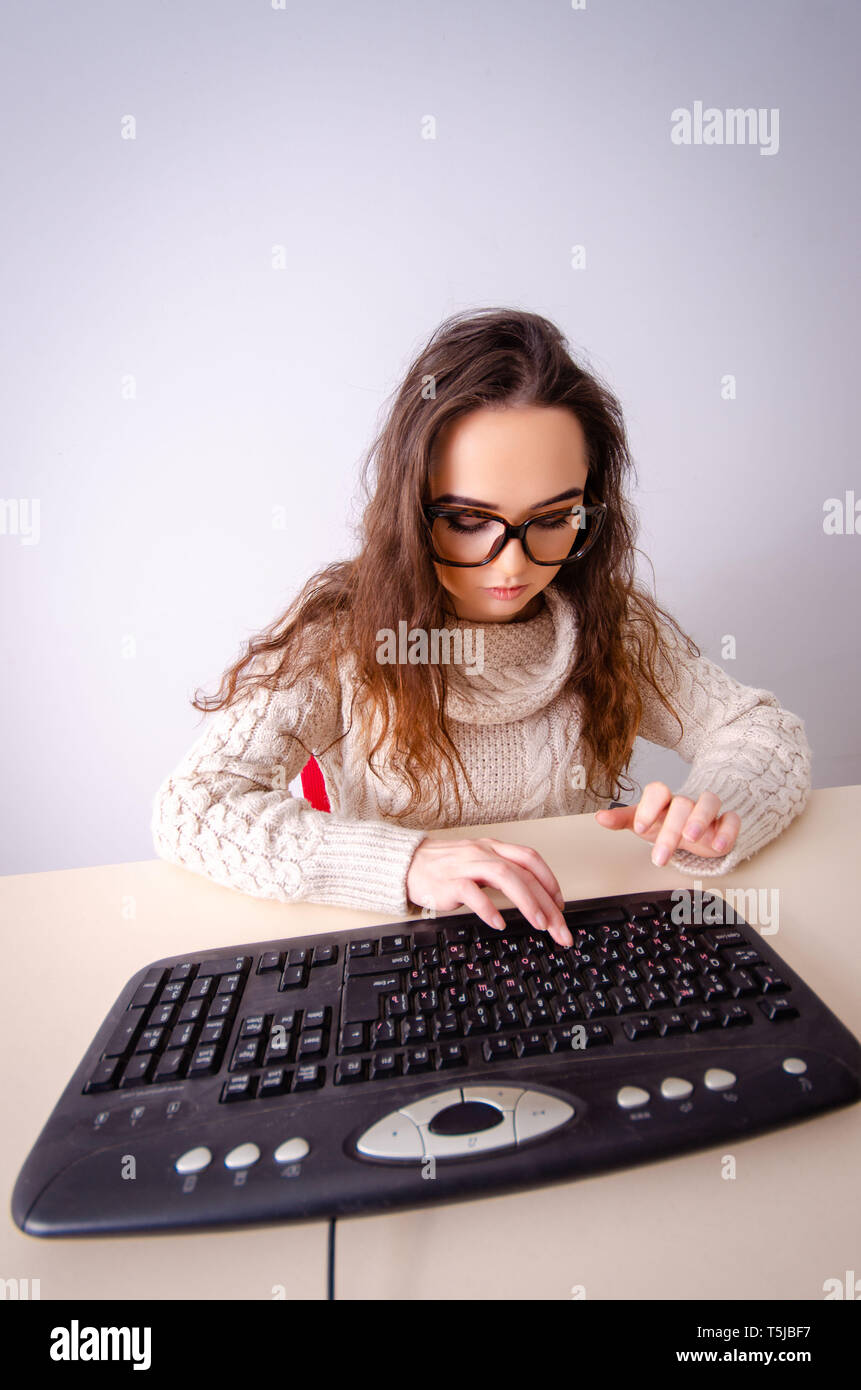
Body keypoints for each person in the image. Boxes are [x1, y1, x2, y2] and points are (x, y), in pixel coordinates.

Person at [151, 307, 811, 950]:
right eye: (468, 522)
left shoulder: (613, 625)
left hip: (569, 938)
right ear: (410, 508)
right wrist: (406, 864)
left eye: (553, 519)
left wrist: (718, 805)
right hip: (402, 951)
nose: (514, 565)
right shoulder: (339, 636)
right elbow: (193, 806)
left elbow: (761, 729)